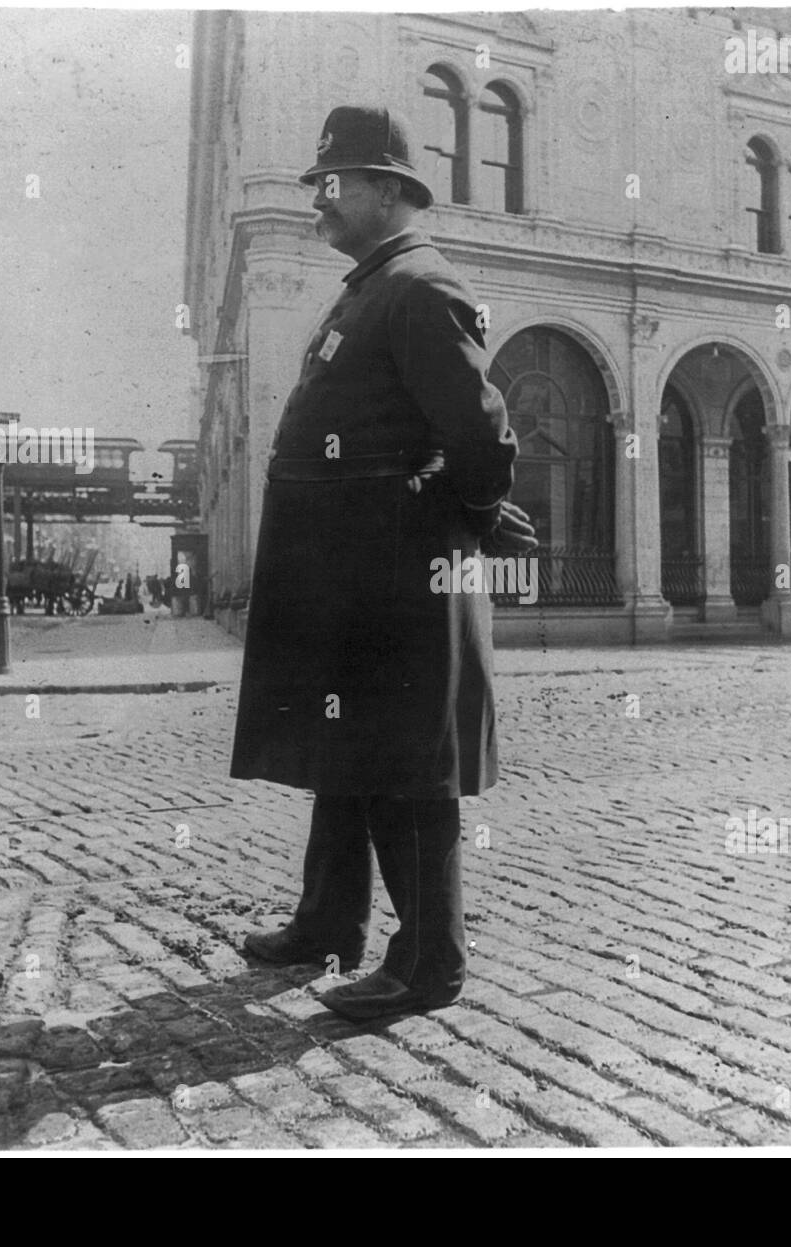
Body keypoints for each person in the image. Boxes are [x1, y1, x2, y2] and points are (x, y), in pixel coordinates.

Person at [230, 105, 535, 1022]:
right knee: (347, 750)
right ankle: (330, 920)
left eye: (336, 182)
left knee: (404, 764)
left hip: (397, 575)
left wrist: (464, 516)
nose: (320, 199)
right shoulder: (371, 286)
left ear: (391, 189)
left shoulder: (419, 286)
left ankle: (428, 961)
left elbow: (481, 436)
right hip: (349, 573)